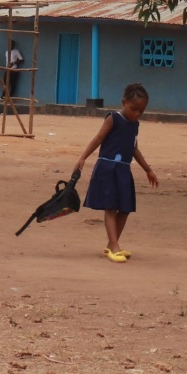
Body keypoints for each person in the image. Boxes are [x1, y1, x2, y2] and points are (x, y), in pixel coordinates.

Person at [71, 82, 159, 261]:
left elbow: (134, 149)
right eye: (133, 109)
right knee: (111, 208)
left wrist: (148, 170)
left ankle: (112, 244)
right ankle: (114, 246)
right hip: (108, 168)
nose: (137, 114)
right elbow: (99, 138)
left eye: (141, 111)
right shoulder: (113, 118)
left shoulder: (135, 125)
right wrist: (83, 157)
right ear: (123, 102)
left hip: (124, 171)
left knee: (125, 208)